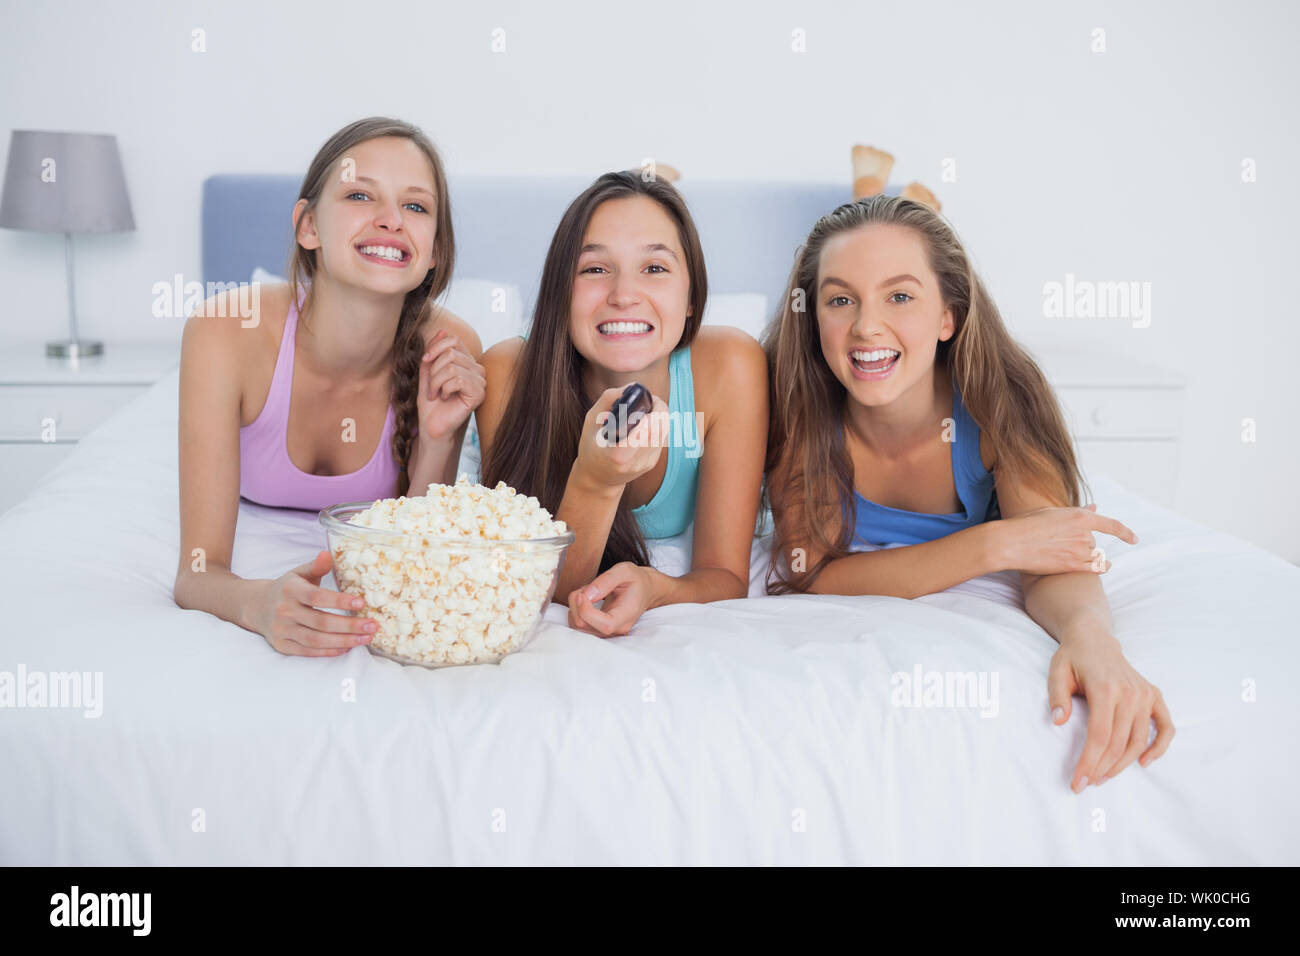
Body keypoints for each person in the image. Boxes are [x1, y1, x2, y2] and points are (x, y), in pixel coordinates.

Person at [762, 194, 1174, 792]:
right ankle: (879, 187)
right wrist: (995, 544)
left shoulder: (999, 400)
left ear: (949, 317)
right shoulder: (792, 405)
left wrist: (1092, 639)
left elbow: (1052, 549)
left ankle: (892, 188)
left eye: (900, 296)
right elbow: (813, 572)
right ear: (812, 315)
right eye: (840, 299)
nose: (866, 325)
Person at [173, 117, 484, 658]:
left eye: (416, 207)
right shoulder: (224, 331)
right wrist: (259, 603)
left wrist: (436, 441)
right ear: (307, 225)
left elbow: (413, 560)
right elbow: (197, 575)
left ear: (434, 250)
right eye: (361, 195)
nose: (390, 221)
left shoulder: (450, 347)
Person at [476, 170, 768, 636]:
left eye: (654, 269)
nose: (624, 295)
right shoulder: (507, 374)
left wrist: (655, 587)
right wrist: (596, 481)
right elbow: (538, 585)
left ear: (691, 297)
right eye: (594, 269)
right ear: (559, 293)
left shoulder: (730, 367)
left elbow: (725, 577)